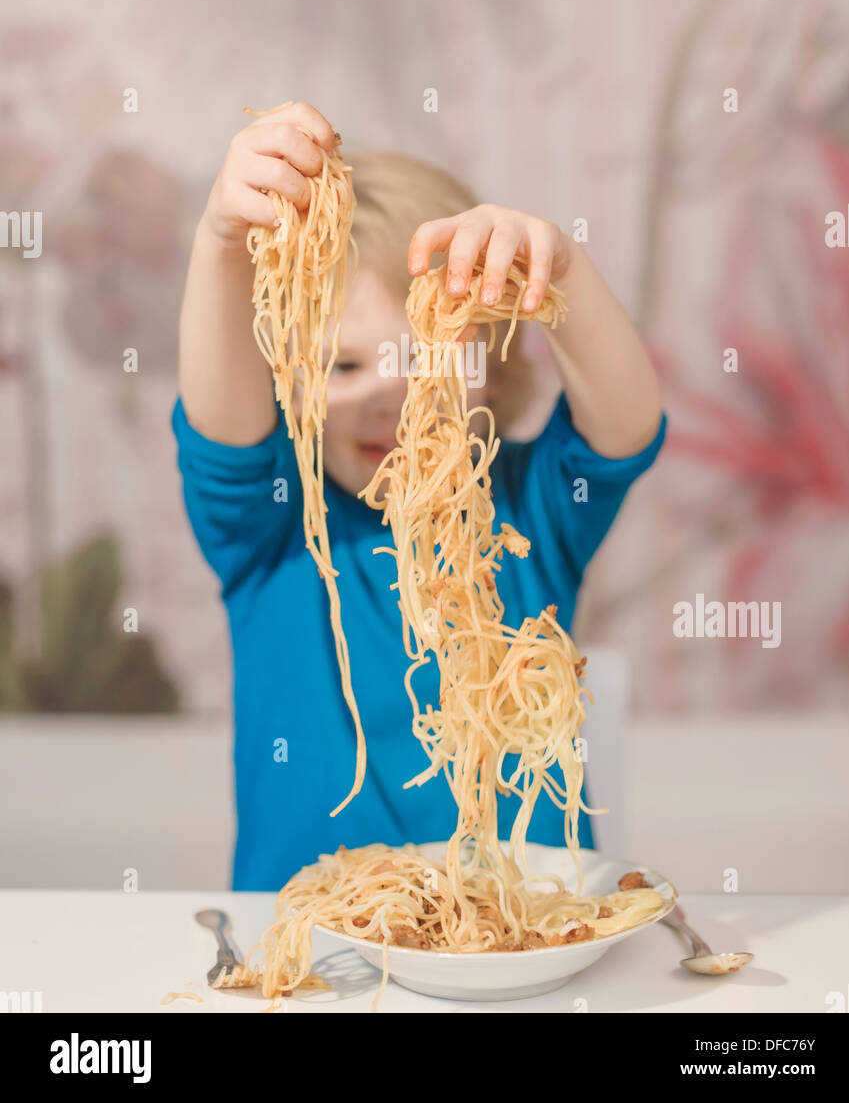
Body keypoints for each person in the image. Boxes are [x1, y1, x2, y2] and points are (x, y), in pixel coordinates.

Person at [173, 100, 666, 891]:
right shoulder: (272, 521)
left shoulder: (527, 511)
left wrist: (559, 274)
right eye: (343, 366)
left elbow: (625, 426)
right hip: (310, 956)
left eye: (427, 360)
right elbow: (219, 425)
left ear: (493, 368)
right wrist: (221, 243)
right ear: (283, 378)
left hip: (524, 933)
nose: (392, 398)